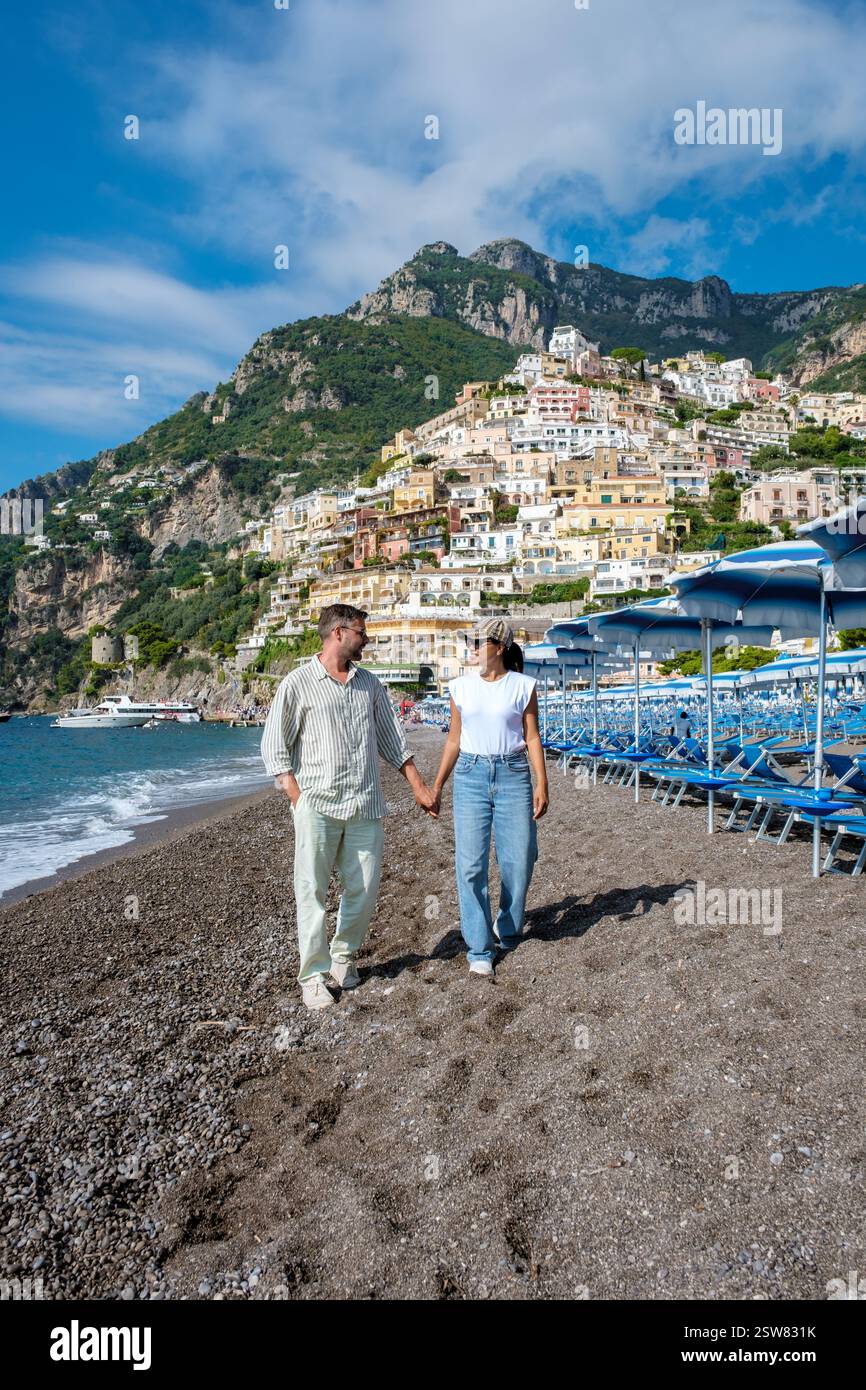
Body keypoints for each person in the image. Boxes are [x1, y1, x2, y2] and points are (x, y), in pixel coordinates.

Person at [261, 604, 438, 1011]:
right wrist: (296, 797)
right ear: (338, 633)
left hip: (364, 803)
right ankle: (312, 976)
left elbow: (394, 742)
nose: (367, 639)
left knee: (364, 888)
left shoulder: (371, 685)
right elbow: (275, 748)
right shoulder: (297, 683)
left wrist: (419, 788)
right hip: (317, 805)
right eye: (362, 632)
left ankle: (343, 957)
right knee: (312, 891)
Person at [430, 618, 549, 980]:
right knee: (470, 865)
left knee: (519, 859)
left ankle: (508, 927)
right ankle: (480, 947)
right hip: (470, 775)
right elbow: (453, 738)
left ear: (499, 646)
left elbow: (531, 737)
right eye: (471, 642)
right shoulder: (460, 687)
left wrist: (542, 783)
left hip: (513, 774)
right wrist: (436, 786)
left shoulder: (523, 686)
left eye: (479, 642)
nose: (473, 648)